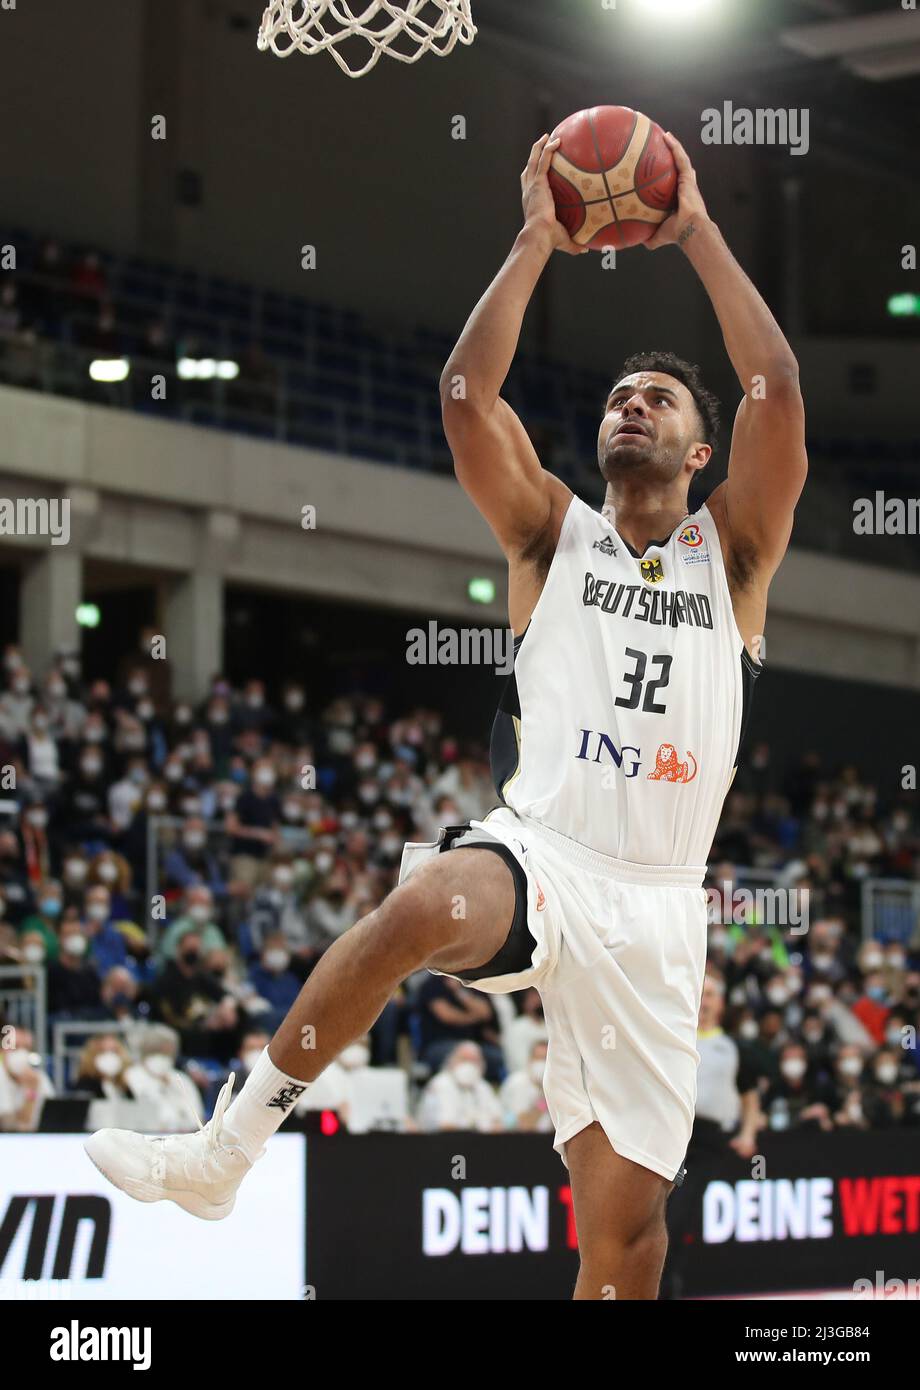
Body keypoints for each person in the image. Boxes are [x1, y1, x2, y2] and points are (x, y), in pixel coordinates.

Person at [85, 130, 807, 1302]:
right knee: (426, 900)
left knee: (626, 1248)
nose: (631, 406)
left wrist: (697, 235)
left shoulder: (732, 553)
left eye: (658, 398)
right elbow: (466, 396)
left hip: (659, 907)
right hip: (544, 854)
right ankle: (227, 1150)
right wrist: (532, 240)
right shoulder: (548, 531)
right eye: (620, 395)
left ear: (699, 445)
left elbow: (777, 388)